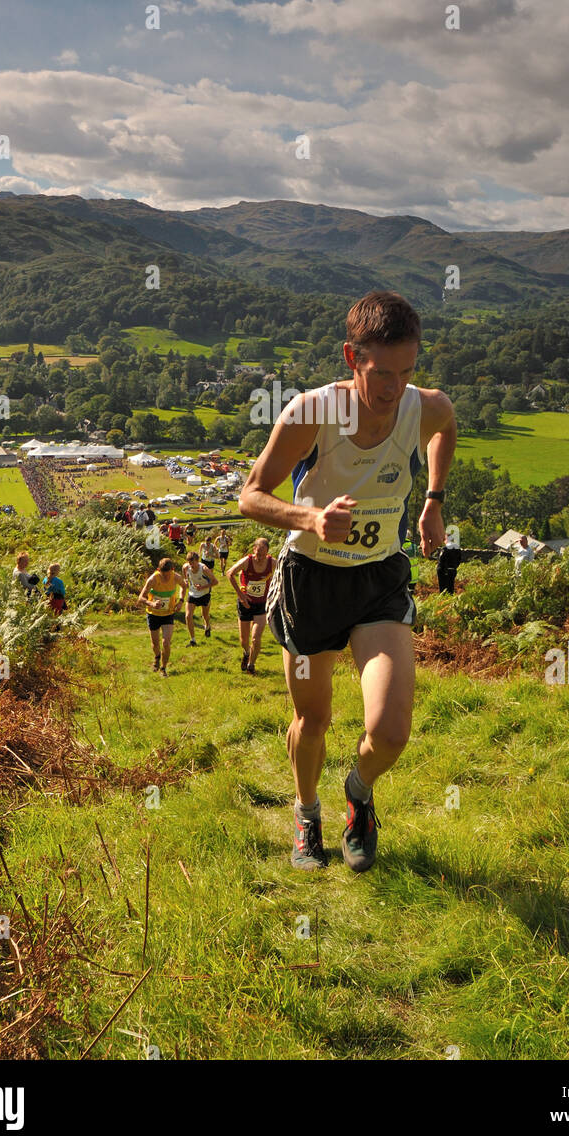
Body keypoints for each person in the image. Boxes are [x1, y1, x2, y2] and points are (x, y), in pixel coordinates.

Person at [240, 290, 456, 873]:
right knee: (313, 720)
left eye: (406, 371)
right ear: (350, 357)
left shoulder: (421, 406)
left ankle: (358, 795)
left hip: (379, 582)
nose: (393, 389)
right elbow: (250, 496)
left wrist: (432, 501)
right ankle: (306, 813)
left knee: (389, 733)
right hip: (311, 581)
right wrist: (310, 518)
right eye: (380, 373)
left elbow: (446, 425)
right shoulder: (312, 413)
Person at [227, 538, 275, 676]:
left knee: (256, 638)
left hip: (261, 604)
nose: (260, 557)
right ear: (254, 549)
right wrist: (241, 596)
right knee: (244, 640)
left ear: (267, 552)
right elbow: (230, 573)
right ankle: (246, 652)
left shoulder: (272, 563)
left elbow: (283, 574)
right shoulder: (247, 561)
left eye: (263, 554)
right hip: (245, 604)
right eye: (258, 553)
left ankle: (251, 665)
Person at [137, 557, 188, 675]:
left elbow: (184, 586)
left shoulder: (176, 577)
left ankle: (163, 668)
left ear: (172, 570)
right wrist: (152, 603)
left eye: (167, 574)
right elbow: (141, 597)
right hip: (153, 614)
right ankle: (157, 657)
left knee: (166, 642)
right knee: (155, 643)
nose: (165, 577)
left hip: (168, 614)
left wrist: (180, 601)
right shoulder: (153, 579)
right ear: (158, 570)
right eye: (163, 574)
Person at [183, 550, 218, 644]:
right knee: (188, 616)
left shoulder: (204, 569)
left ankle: (207, 626)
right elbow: (183, 569)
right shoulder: (186, 567)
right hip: (192, 593)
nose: (191, 565)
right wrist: (185, 580)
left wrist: (202, 587)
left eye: (193, 563)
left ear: (198, 561)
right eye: (189, 563)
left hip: (205, 594)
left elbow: (215, 582)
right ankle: (193, 640)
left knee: (205, 615)